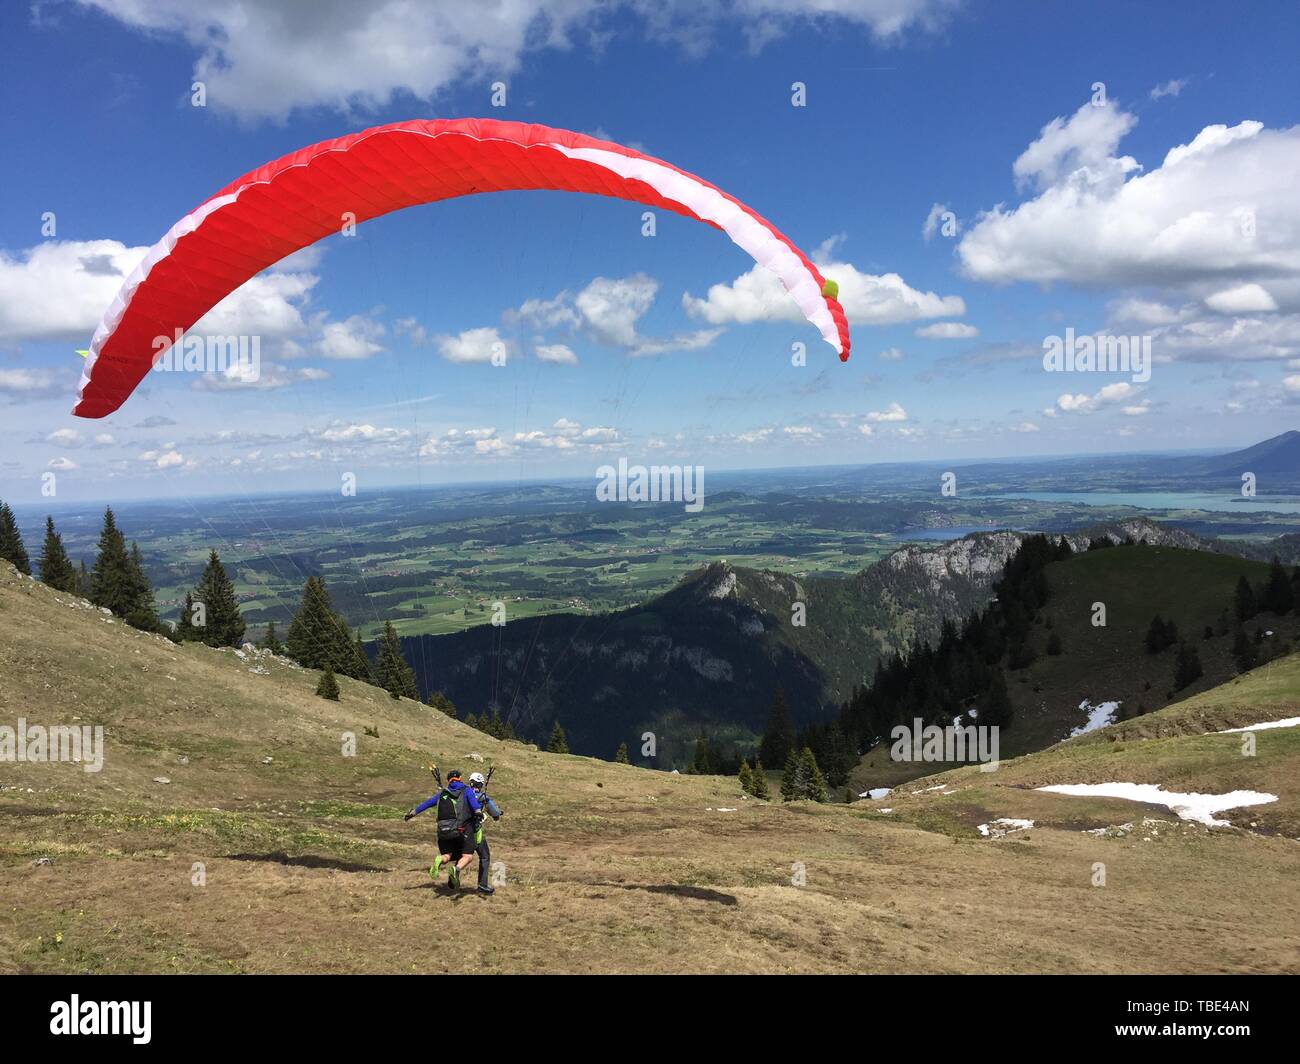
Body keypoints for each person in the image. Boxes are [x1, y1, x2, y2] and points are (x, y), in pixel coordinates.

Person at [403, 769, 482, 890]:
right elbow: (474, 805)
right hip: (463, 829)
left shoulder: (442, 793)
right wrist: (478, 812)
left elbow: (427, 803)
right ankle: (456, 869)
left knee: (447, 855)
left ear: (449, 780)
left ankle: (439, 860)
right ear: (460, 778)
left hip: (444, 830)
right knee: (467, 856)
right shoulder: (466, 790)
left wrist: (412, 813)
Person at [468, 770, 503, 895]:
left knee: (462, 857)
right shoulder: (483, 797)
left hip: (460, 830)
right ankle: (482, 885)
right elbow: (495, 813)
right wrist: (498, 813)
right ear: (480, 785)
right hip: (475, 831)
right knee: (484, 856)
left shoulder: (463, 794)